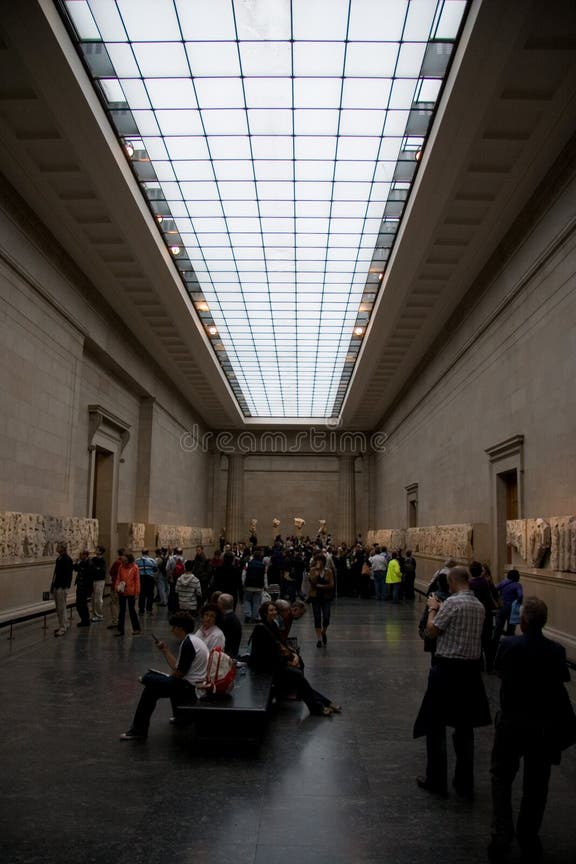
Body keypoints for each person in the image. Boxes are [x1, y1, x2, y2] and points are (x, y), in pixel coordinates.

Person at [488, 597, 576, 863]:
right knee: (537, 785)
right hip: (543, 725)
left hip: (512, 722)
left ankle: (502, 832)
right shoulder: (556, 651)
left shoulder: (509, 644)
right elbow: (562, 678)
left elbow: (498, 670)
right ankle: (529, 834)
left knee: (501, 777)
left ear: (523, 622)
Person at [413, 566, 491, 799]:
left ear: (452, 582)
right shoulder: (479, 606)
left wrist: (433, 610)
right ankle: (464, 783)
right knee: (465, 730)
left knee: (435, 727)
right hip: (470, 672)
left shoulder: (452, 604)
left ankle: (437, 780)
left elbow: (431, 632)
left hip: (447, 670)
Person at [119, 612, 210, 741]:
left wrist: (169, 677)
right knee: (151, 689)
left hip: (188, 688)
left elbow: (179, 673)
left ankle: (138, 729)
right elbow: (178, 668)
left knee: (151, 681)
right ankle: (139, 729)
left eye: (174, 627)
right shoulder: (192, 641)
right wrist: (165, 651)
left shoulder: (188, 644)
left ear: (181, 628)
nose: (172, 630)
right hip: (188, 685)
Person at [249, 601, 341, 717]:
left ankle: (321, 704)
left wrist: (294, 655)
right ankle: (319, 705)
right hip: (265, 666)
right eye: (271, 610)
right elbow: (267, 654)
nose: (274, 612)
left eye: (274, 610)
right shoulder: (261, 628)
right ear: (264, 613)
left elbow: (281, 644)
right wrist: (288, 661)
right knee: (297, 676)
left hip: (274, 662)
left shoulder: (273, 624)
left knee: (299, 676)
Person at [307, 553, 334, 647]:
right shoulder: (312, 570)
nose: (318, 562)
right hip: (315, 597)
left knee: (326, 616)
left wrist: (321, 586)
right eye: (317, 560)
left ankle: (324, 631)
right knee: (317, 617)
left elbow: (331, 585)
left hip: (326, 597)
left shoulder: (328, 571)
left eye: (320, 560)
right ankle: (319, 639)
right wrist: (317, 573)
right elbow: (312, 582)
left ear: (323, 561)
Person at [492, 569, 523, 650]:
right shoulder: (517, 585)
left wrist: (497, 600)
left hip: (502, 607)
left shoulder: (503, 582)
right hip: (511, 609)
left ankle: (494, 646)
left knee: (498, 628)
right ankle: (509, 645)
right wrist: (518, 602)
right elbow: (520, 595)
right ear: (516, 577)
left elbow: (494, 589)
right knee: (511, 629)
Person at [114, 553, 141, 637]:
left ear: (129, 560)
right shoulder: (121, 567)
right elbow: (118, 578)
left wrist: (137, 593)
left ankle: (136, 628)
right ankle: (120, 630)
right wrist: (116, 587)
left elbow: (137, 581)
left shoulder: (135, 568)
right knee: (121, 611)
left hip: (131, 592)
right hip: (122, 591)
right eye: (123, 560)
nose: (124, 562)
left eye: (125, 560)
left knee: (132, 610)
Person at [50, 542, 73, 637]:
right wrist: (52, 585)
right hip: (57, 585)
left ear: (62, 548)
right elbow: (56, 574)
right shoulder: (59, 558)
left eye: (58, 546)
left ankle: (62, 627)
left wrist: (65, 585)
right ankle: (64, 624)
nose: (57, 548)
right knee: (59, 607)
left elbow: (68, 574)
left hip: (61, 586)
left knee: (61, 607)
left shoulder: (67, 559)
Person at [243, 549, 267, 623]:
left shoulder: (248, 564)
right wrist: (265, 586)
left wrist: (243, 583)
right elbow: (265, 576)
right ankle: (254, 617)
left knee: (247, 600)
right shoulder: (263, 566)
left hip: (249, 585)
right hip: (259, 586)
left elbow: (244, 574)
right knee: (256, 602)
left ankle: (248, 615)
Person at [217, 593, 243, 658]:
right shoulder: (231, 617)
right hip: (232, 651)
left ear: (221, 605)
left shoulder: (226, 619)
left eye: (218, 602)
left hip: (228, 653)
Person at [73, 549, 93, 628]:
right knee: (79, 604)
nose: (80, 556)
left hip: (85, 587)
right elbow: (75, 568)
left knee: (83, 604)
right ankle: (84, 619)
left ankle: (85, 620)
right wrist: (77, 562)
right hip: (80, 586)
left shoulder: (89, 563)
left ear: (85, 555)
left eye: (81, 555)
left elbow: (89, 574)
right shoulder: (81, 562)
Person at [135, 549, 158, 616]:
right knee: (150, 594)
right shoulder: (152, 560)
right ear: (148, 553)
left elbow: (135, 569)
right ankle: (149, 610)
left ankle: (141, 610)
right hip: (150, 578)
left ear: (142, 553)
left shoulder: (137, 561)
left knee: (142, 594)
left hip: (141, 578)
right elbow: (155, 569)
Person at [106, 547, 124, 630]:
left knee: (113, 602)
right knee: (121, 603)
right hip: (123, 585)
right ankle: (121, 620)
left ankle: (115, 621)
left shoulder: (117, 562)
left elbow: (111, 571)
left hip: (116, 584)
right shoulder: (128, 563)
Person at [90, 546, 106, 621]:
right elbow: (92, 569)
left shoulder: (102, 560)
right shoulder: (93, 559)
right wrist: (96, 569)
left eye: (97, 549)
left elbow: (101, 571)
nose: (95, 550)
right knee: (93, 598)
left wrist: (96, 569)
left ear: (100, 552)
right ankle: (94, 614)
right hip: (93, 580)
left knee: (98, 599)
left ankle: (99, 615)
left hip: (100, 580)